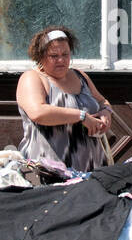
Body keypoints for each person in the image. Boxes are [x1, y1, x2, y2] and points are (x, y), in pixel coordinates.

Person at [16, 26, 111, 172]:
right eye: (54, 56)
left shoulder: (80, 76)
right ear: (40, 56)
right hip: (50, 171)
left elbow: (101, 101)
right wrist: (81, 116)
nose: (61, 60)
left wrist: (106, 112)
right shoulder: (32, 78)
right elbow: (38, 112)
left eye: (65, 54)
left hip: (91, 167)